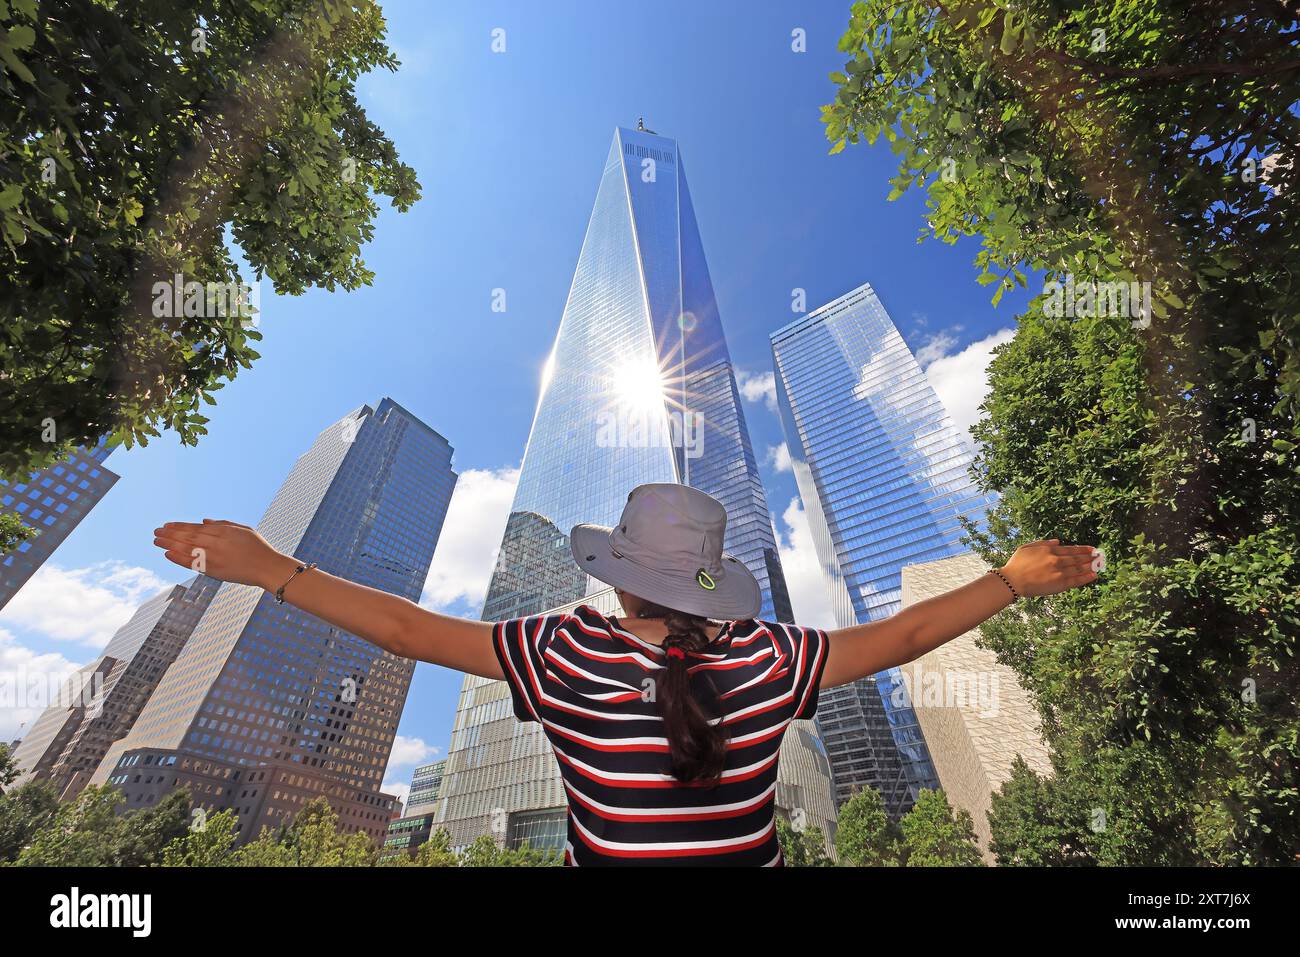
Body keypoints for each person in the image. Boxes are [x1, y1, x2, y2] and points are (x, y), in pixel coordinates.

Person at [152, 482, 1098, 866]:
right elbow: (898, 639)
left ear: (617, 579)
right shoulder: (767, 655)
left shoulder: (565, 650)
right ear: (713, 587)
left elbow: (404, 629)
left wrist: (273, 566)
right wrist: (1008, 581)